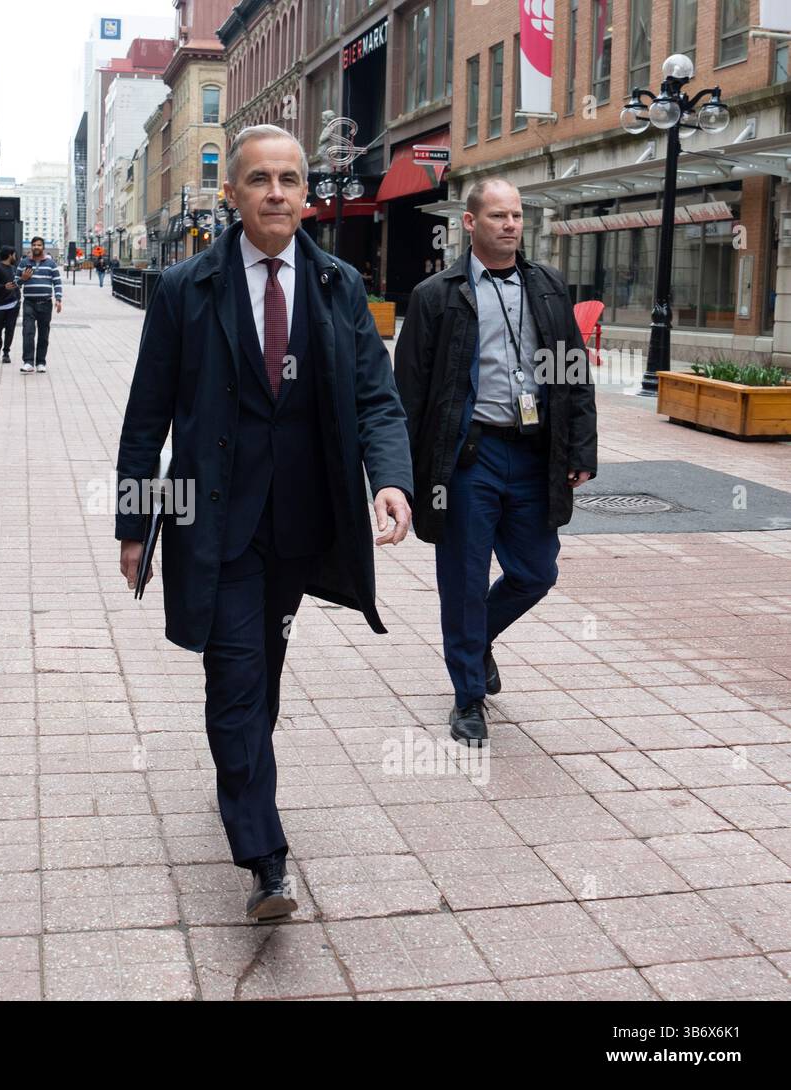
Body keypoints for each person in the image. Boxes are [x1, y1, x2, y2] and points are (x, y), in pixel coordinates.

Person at [115, 125, 413, 921]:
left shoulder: (338, 287)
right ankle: (265, 858)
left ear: (306, 193)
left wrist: (391, 483)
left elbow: (376, 397)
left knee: (262, 672)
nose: (276, 193)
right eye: (259, 180)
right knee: (236, 676)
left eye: (289, 179)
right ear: (233, 194)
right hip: (216, 523)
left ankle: (245, 775)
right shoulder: (184, 288)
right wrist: (134, 520)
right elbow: (147, 415)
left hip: (306, 523)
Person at [394, 177, 597, 746]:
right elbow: (407, 392)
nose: (511, 225)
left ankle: (474, 638)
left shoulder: (550, 288)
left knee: (536, 572)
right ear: (469, 222)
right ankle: (467, 698)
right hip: (467, 458)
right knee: (462, 580)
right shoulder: (437, 294)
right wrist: (399, 478)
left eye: (517, 216)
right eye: (499, 216)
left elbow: (572, 375)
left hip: (534, 454)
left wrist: (581, 450)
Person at [15, 237, 63, 374]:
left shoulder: (51, 264)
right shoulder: (24, 263)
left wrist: (58, 299)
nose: (36, 247)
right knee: (28, 332)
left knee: (43, 333)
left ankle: (41, 362)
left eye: (39, 245)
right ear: (31, 247)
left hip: (46, 303)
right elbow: (15, 282)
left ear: (43, 247)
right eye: (34, 245)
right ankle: (28, 362)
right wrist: (22, 279)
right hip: (29, 303)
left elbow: (57, 282)